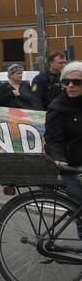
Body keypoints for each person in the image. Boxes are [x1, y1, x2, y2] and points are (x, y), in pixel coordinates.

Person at [45, 61, 82, 221]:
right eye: (66, 82)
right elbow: (52, 140)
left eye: (77, 82)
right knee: (80, 214)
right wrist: (59, 158)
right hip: (72, 166)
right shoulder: (57, 107)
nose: (71, 86)